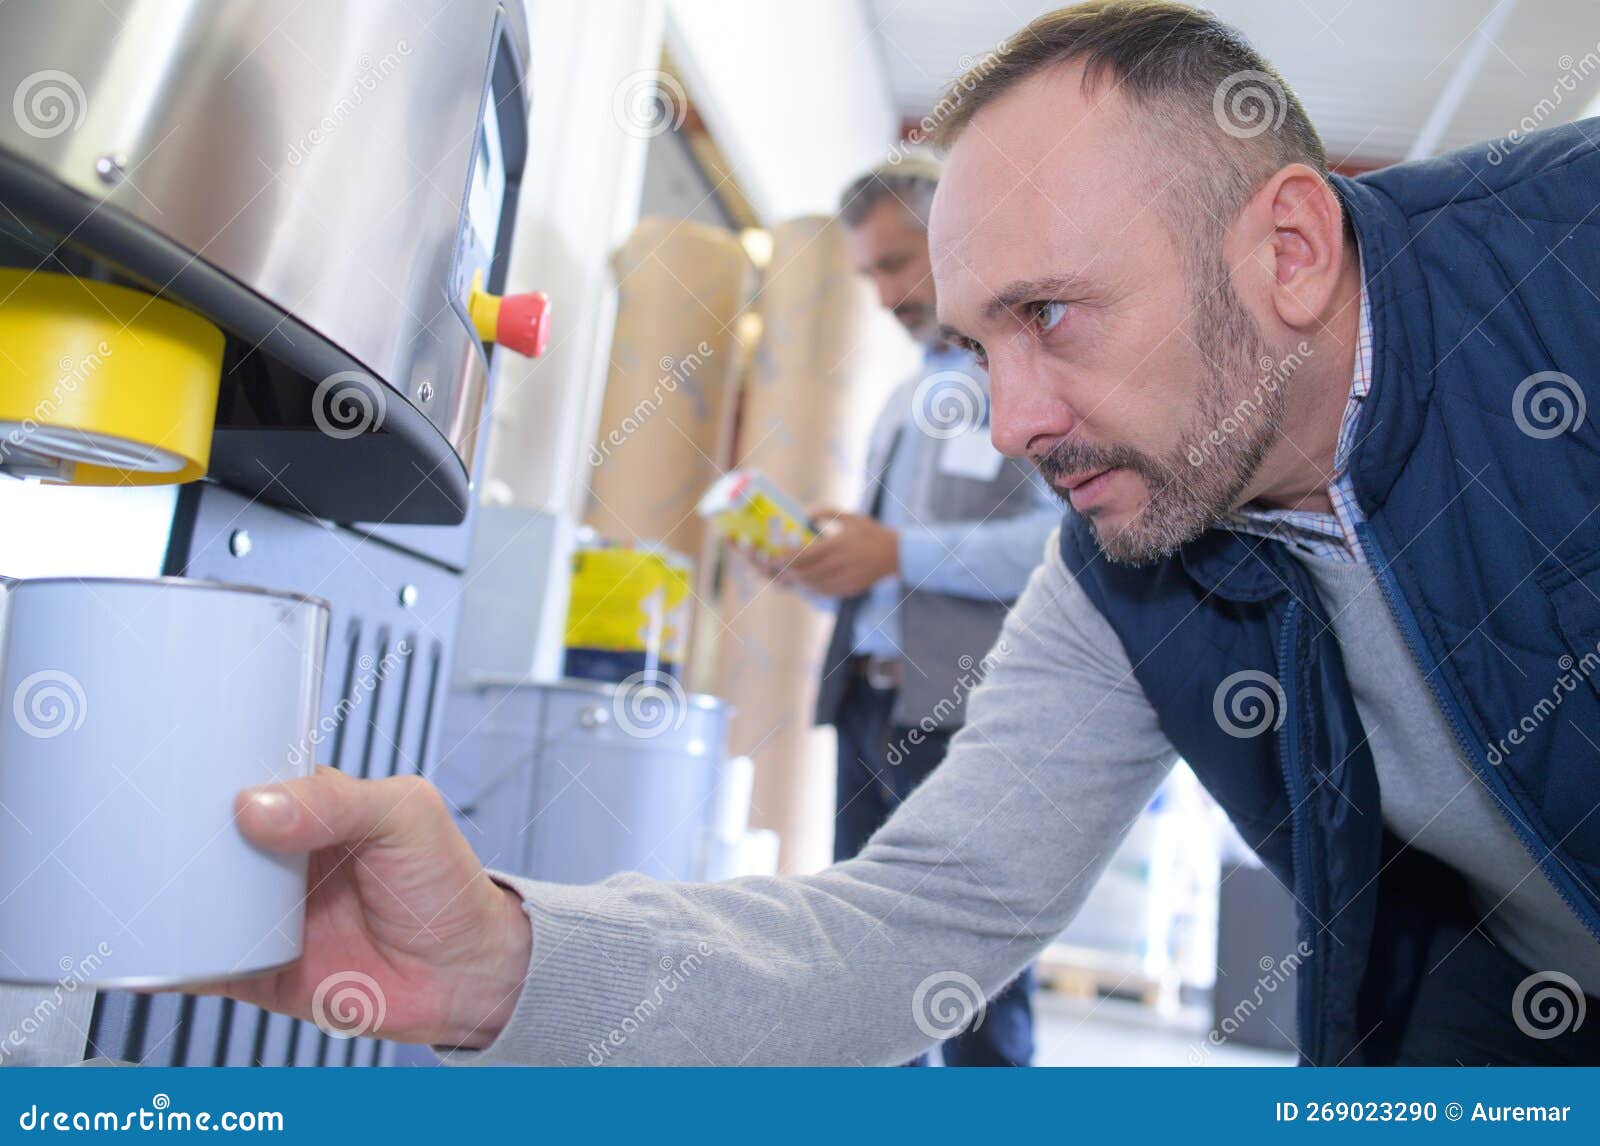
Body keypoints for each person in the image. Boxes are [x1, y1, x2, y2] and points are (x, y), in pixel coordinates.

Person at [193, 1, 1600, 1065]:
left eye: (1048, 314)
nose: (1009, 423)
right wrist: (503, 960)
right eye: (978, 343)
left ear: (1285, 251)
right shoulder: (1132, 568)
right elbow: (916, 924)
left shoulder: (1566, 263)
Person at [754, 160, 1058, 1066]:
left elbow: (1060, 544)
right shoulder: (902, 401)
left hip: (966, 717)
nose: (884, 293)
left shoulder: (1030, 380)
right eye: (869, 275)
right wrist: (808, 566)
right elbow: (881, 574)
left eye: (896, 263)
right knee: (869, 964)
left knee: (973, 982)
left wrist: (897, 551)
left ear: (954, 235)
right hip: (868, 701)